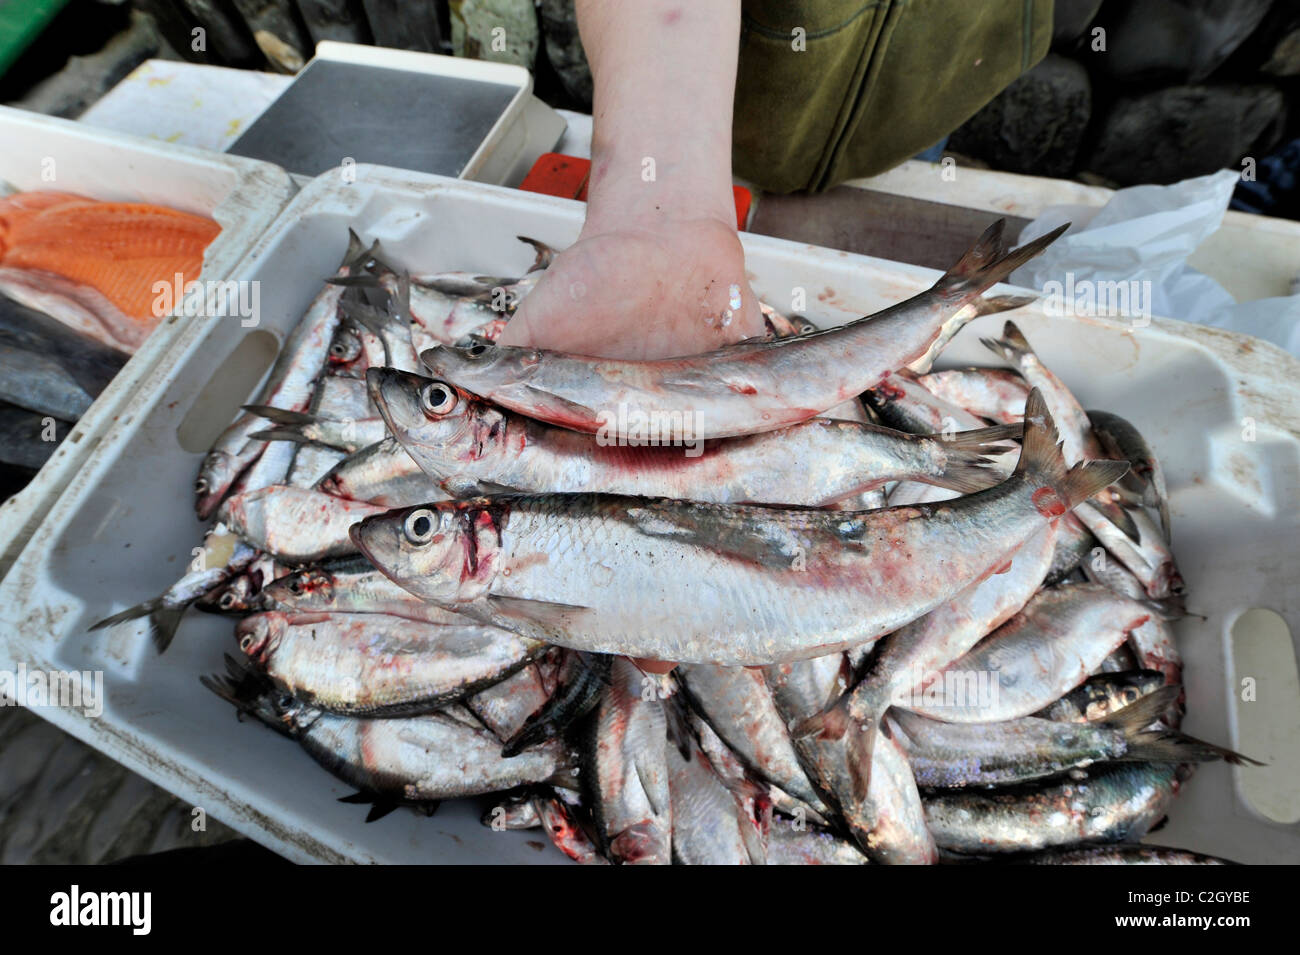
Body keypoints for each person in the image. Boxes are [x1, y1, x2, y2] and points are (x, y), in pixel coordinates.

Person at [499, 1, 1051, 672]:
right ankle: (950, 298)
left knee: (902, 135)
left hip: (935, 80)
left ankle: (949, 287)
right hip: (729, 111)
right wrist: (657, 214)